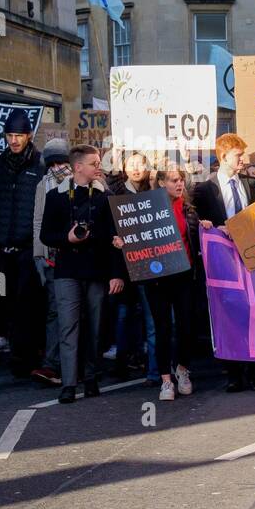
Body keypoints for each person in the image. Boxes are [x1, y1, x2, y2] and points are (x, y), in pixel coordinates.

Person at [39, 145, 127, 404]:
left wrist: (116, 274)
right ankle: (68, 384)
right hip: (67, 271)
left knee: (95, 326)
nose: (98, 167)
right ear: (78, 167)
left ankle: (91, 377)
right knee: (68, 326)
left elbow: (115, 239)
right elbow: (46, 235)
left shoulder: (105, 196)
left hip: (97, 271)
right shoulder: (56, 196)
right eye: (94, 163)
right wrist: (66, 238)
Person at [114, 166, 200, 401]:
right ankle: (165, 380)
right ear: (161, 183)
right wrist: (124, 242)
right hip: (157, 279)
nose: (180, 184)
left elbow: (196, 239)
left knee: (185, 326)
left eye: (182, 180)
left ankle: (182, 370)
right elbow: (134, 237)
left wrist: (207, 228)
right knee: (162, 328)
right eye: (174, 180)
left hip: (184, 275)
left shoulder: (189, 209)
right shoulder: (146, 209)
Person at [194, 133, 255, 392]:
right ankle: (233, 373)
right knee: (228, 315)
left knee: (253, 312)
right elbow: (197, 224)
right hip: (222, 263)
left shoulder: (250, 184)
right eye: (238, 155)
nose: (243, 160)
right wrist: (208, 226)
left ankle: (254, 371)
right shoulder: (204, 188)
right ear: (223, 157)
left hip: (250, 258)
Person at [0, 109, 47, 377]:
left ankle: (25, 358)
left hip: (26, 250)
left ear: (28, 135)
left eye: (18, 135)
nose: (13, 140)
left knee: (27, 305)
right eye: (9, 135)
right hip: (1, 250)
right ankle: (8, 350)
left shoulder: (39, 164)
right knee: (2, 300)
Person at [108, 151, 158, 384]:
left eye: (141, 164)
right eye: (132, 164)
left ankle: (154, 369)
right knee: (124, 314)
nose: (137, 168)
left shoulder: (154, 193)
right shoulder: (115, 193)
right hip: (124, 266)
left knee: (151, 317)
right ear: (124, 167)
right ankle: (121, 362)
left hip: (150, 266)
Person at [30, 140, 76, 387]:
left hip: (75, 255)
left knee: (74, 312)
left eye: (61, 161)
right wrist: (39, 256)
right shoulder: (42, 185)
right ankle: (51, 364)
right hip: (50, 257)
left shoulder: (79, 182)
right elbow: (38, 221)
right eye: (53, 163)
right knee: (54, 311)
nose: (58, 167)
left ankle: (75, 364)